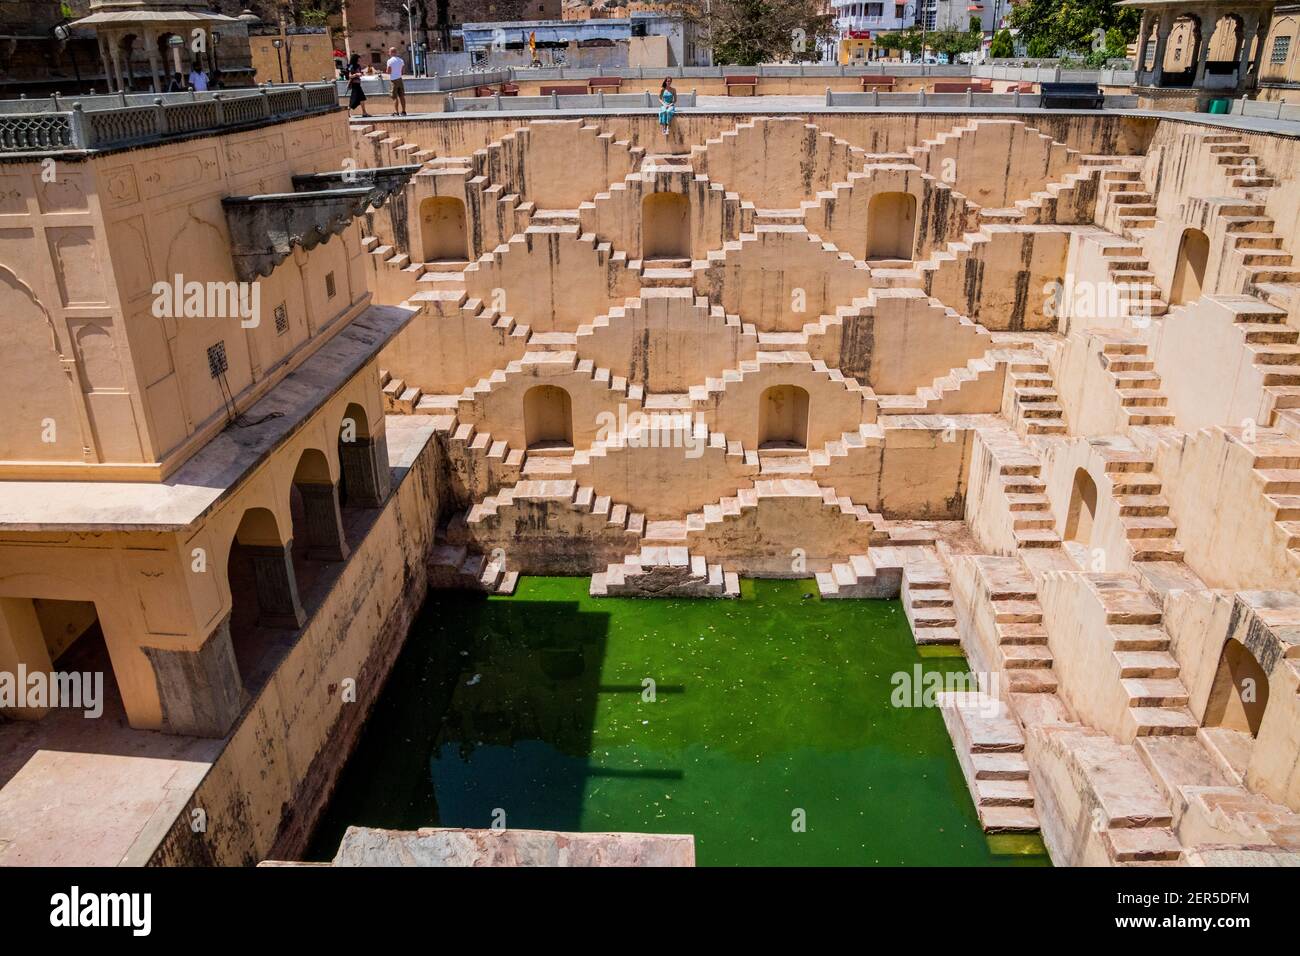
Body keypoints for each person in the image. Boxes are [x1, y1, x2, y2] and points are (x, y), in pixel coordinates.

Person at [385, 46, 407, 116]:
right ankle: (403, 111)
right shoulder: (401, 60)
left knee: (394, 97)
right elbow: (403, 71)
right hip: (400, 79)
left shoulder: (389, 61)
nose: (389, 53)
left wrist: (387, 71)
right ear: (396, 52)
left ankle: (396, 112)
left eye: (389, 52)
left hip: (393, 80)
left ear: (391, 52)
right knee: (402, 96)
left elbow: (388, 71)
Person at [347, 53, 369, 117]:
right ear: (355, 59)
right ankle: (347, 111)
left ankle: (364, 112)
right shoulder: (351, 66)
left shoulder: (358, 66)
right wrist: (356, 74)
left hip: (358, 84)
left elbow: (359, 73)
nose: (359, 59)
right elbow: (350, 76)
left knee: (362, 98)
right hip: (354, 84)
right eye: (358, 58)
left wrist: (361, 74)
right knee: (355, 99)